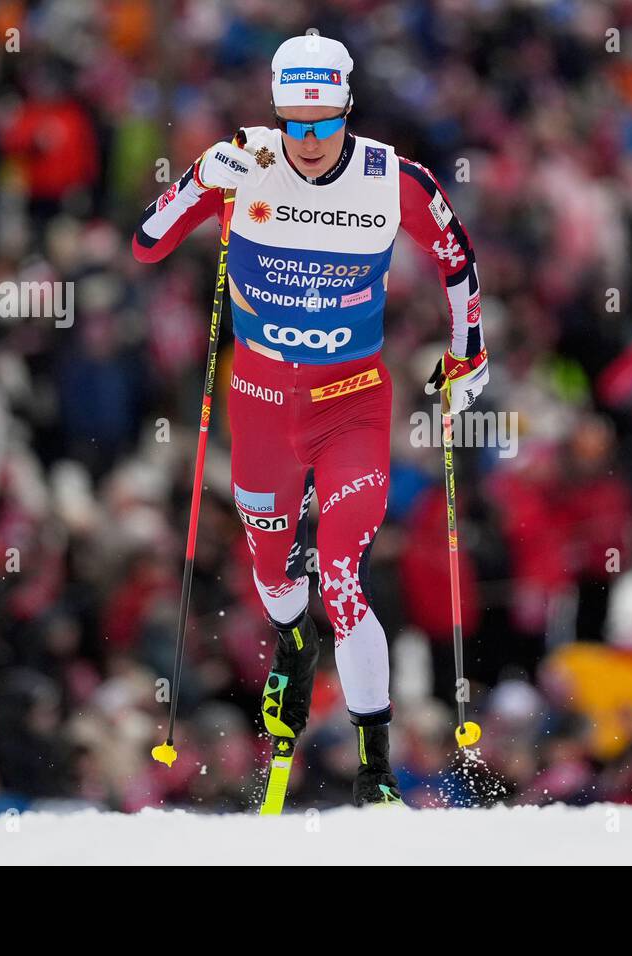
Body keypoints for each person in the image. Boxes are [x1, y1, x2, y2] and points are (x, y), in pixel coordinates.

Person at [132, 35, 488, 806]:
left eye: (324, 122)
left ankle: (376, 770)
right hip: (260, 409)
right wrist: (196, 178)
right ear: (278, 116)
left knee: (341, 572)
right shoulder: (244, 161)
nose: (311, 141)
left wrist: (470, 357)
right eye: (296, 123)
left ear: (347, 110)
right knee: (273, 578)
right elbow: (147, 242)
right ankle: (295, 642)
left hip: (351, 404)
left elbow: (456, 256)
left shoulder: (393, 179)